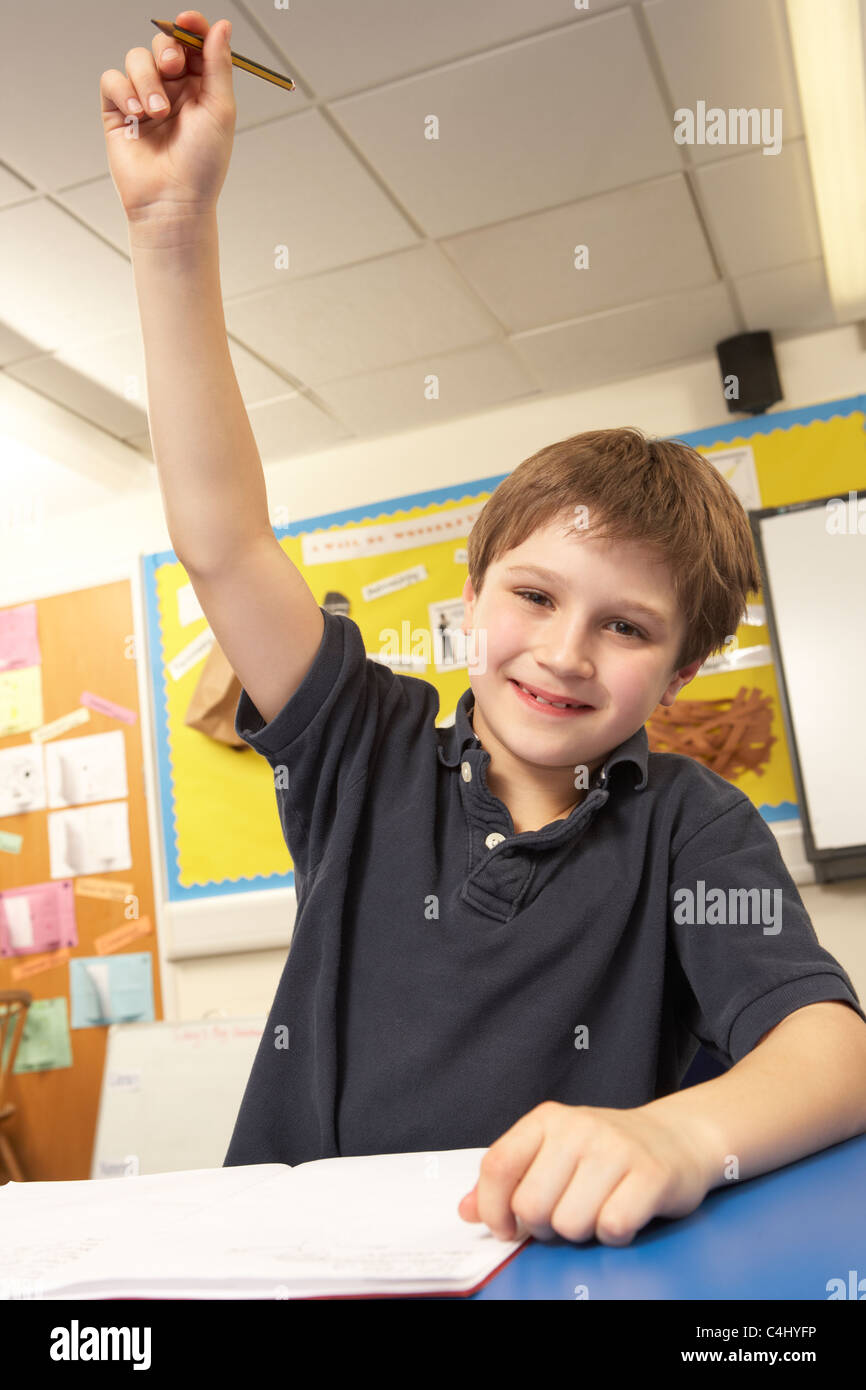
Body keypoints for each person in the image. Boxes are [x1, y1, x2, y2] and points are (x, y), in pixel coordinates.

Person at [101, 12, 866, 1247]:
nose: (563, 651)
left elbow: (831, 1051)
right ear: (469, 599)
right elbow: (224, 540)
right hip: (289, 1271)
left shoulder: (688, 824)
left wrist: (674, 1132)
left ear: (679, 668)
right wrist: (169, 228)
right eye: (533, 595)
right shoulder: (363, 741)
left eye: (624, 627)